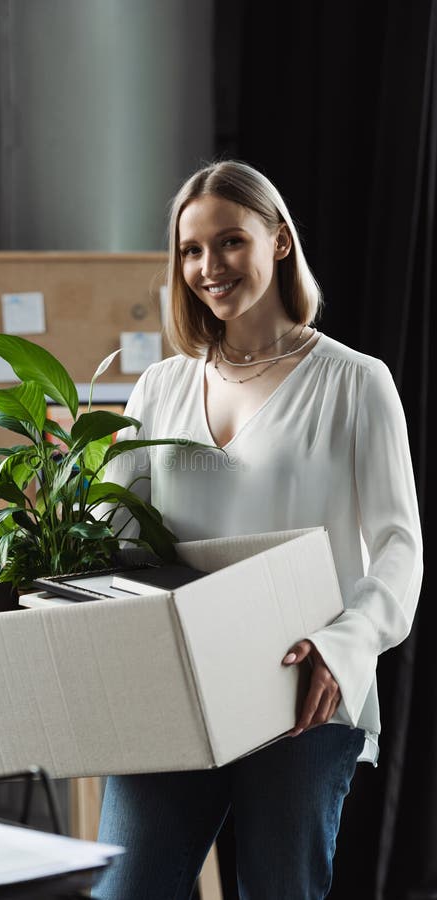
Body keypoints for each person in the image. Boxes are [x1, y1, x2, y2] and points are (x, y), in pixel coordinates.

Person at [91, 160, 423, 900]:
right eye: (190, 250)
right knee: (124, 890)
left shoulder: (354, 381)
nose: (208, 267)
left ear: (277, 241)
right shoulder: (159, 386)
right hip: (171, 685)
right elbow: (109, 529)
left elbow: (401, 548)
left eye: (229, 241)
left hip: (300, 691)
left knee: (279, 890)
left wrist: (345, 647)